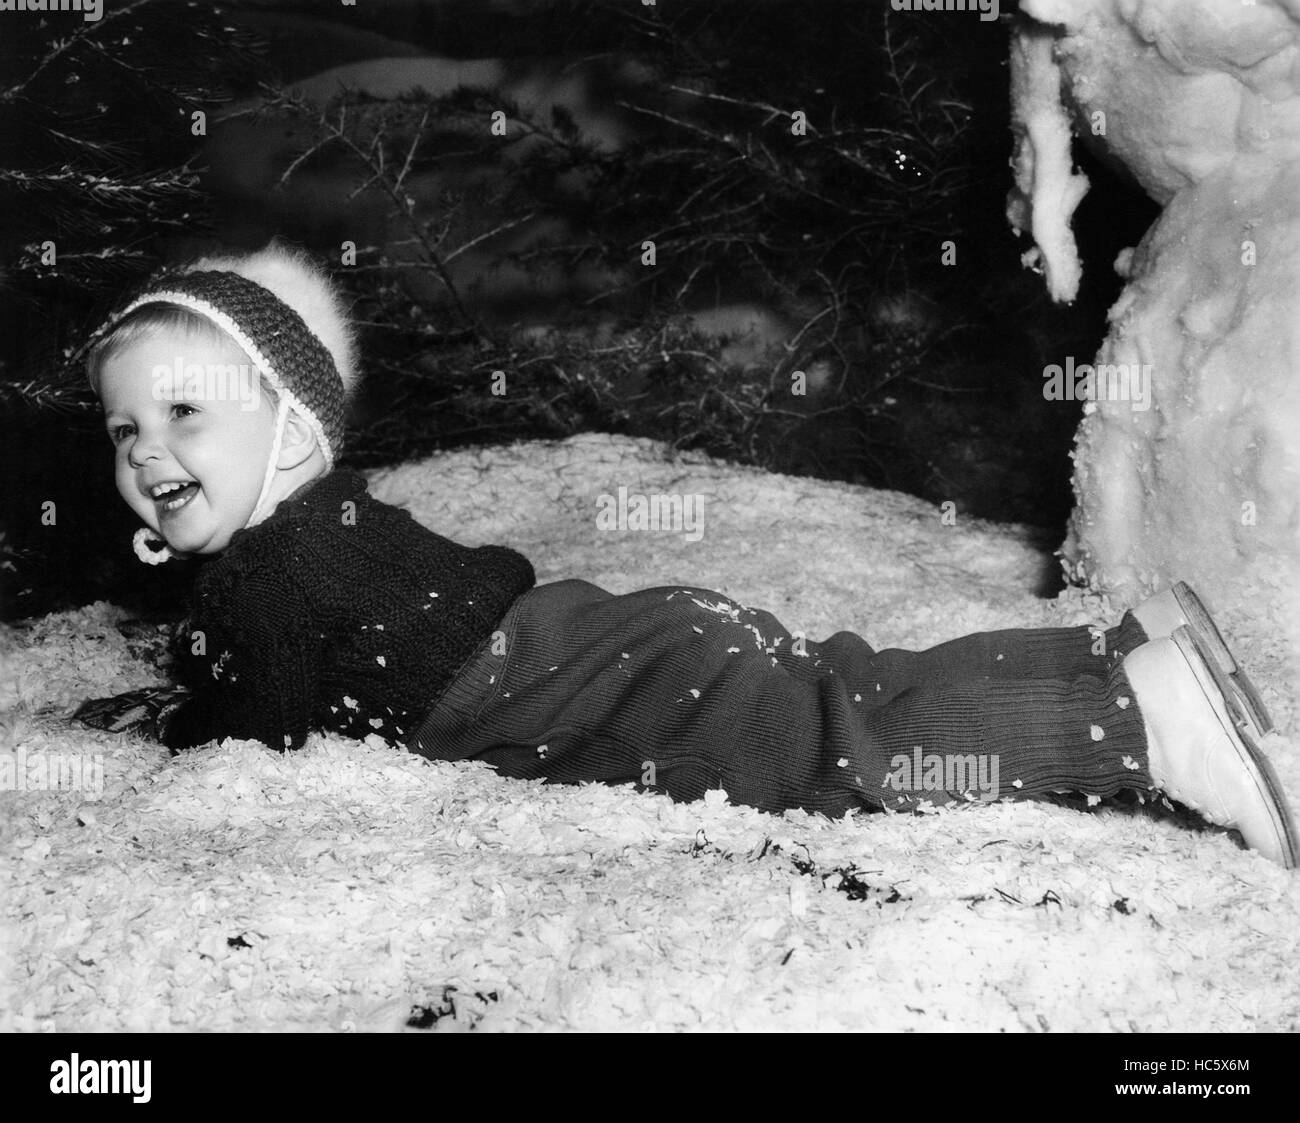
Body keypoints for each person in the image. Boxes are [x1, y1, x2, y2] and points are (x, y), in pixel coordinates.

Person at [72, 242, 1298, 869]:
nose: (148, 450)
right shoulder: (333, 524)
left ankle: (1133, 712)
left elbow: (260, 735)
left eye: (187, 413)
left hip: (622, 685)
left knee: (840, 742)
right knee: (842, 683)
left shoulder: (281, 569)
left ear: (293, 429)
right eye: (127, 426)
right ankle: (1118, 661)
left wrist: (171, 730)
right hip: (613, 637)